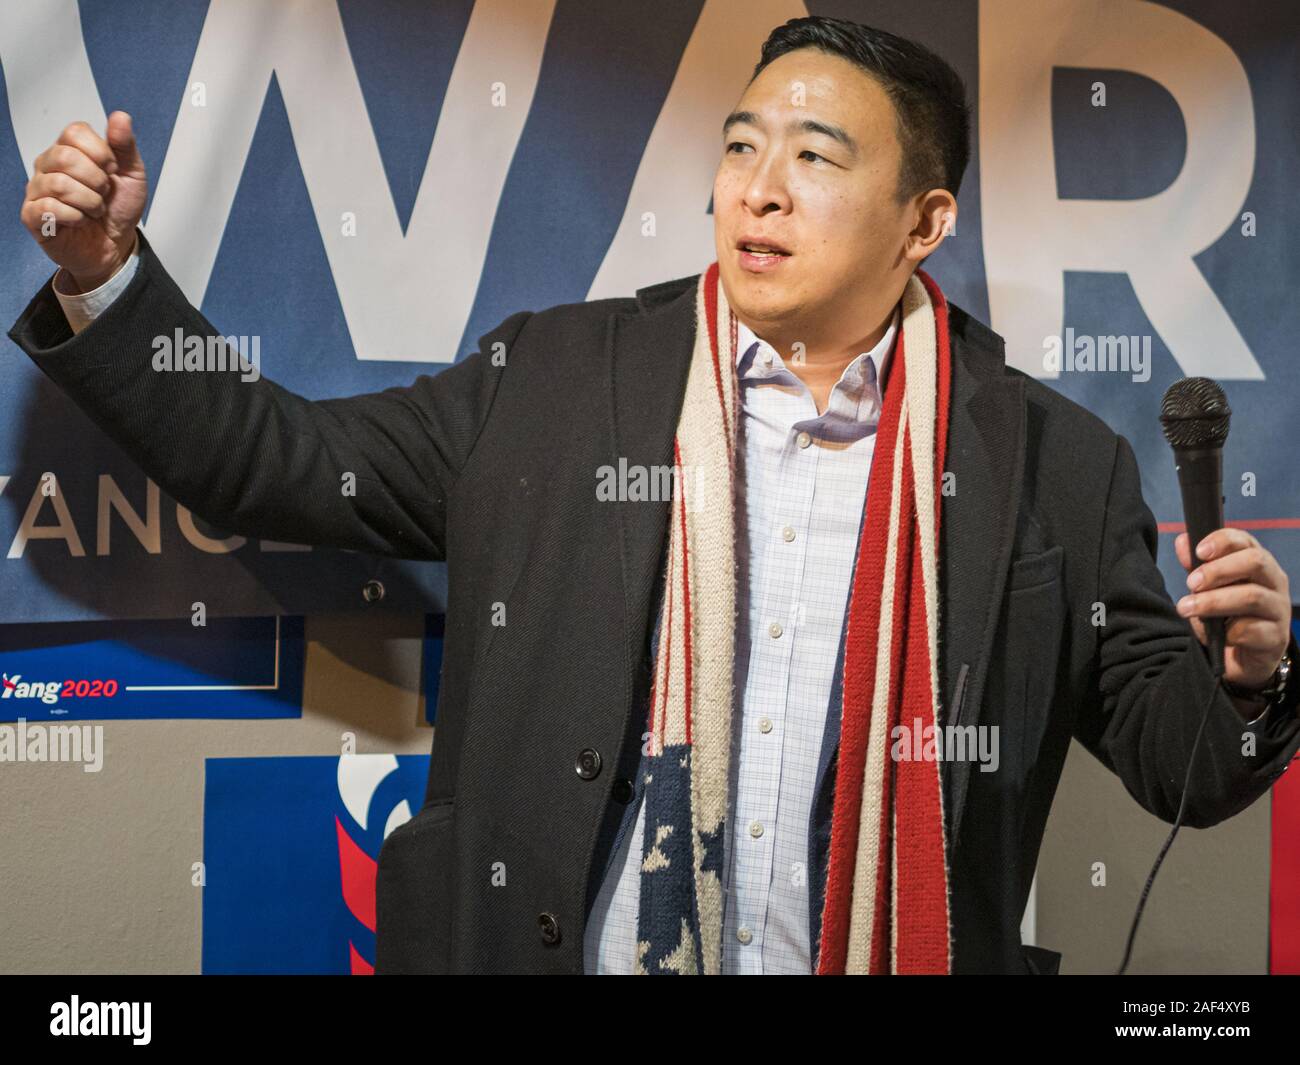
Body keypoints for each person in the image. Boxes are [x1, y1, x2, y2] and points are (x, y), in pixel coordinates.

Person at [11, 16, 1297, 975]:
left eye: (815, 156)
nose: (761, 185)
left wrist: (1243, 684)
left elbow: (1179, 767)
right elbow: (274, 459)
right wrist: (109, 278)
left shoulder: (1053, 464)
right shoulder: (559, 380)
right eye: (742, 146)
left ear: (922, 222)